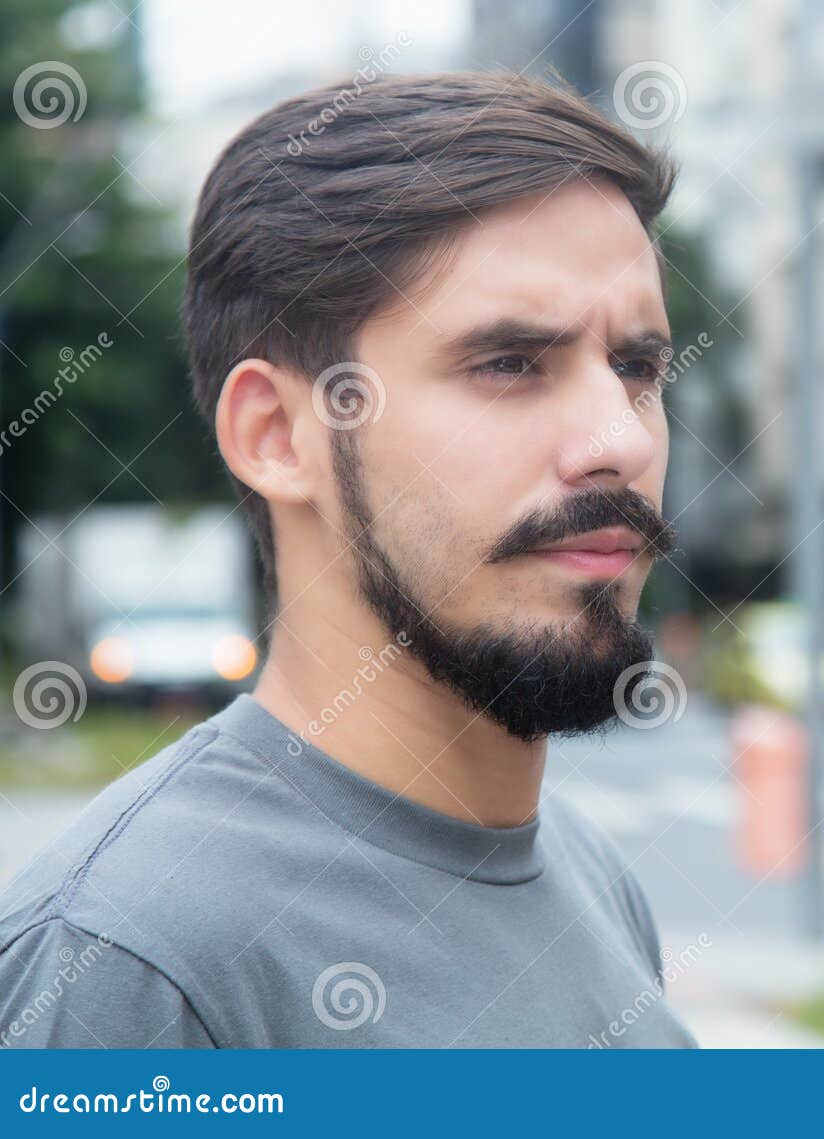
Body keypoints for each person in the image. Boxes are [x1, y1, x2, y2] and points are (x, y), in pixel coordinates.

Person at [0, 72, 696, 1048]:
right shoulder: (131, 965)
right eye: (509, 363)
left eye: (636, 367)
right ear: (280, 435)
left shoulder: (589, 873)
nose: (619, 439)